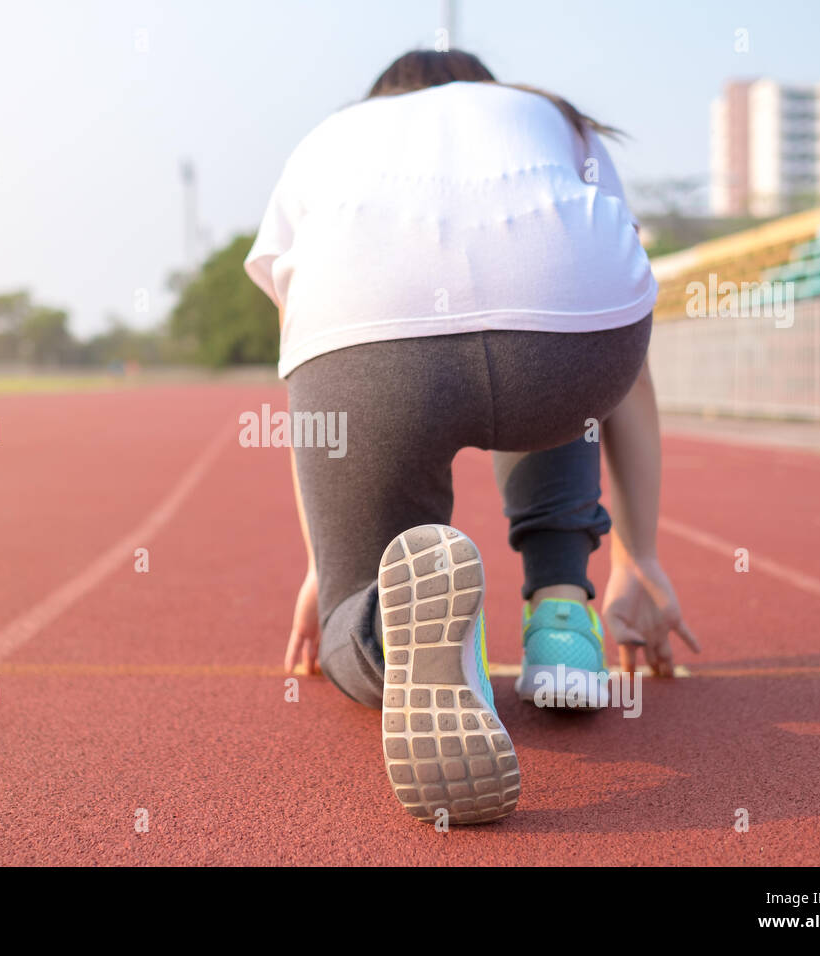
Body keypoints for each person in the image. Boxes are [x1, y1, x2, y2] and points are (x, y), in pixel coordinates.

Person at [244, 49, 699, 825]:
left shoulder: (329, 139)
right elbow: (623, 343)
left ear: (381, 99)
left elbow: (306, 370)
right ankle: (563, 618)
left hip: (367, 341)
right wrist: (641, 556)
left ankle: (391, 632)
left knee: (355, 607)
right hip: (571, 338)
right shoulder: (550, 118)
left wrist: (331, 569)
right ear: (483, 90)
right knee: (561, 354)